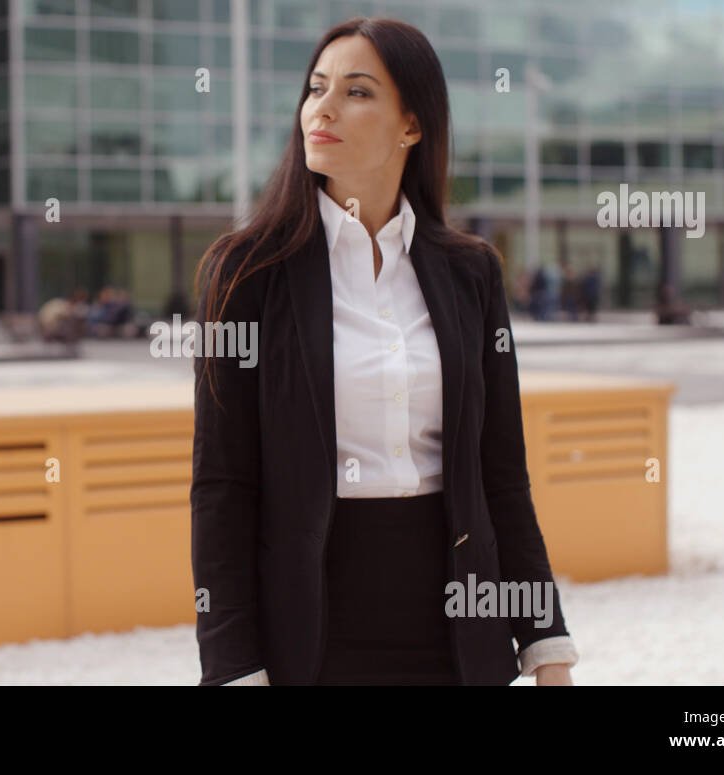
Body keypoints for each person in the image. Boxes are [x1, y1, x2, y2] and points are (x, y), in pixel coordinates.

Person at [191, 17, 577, 687]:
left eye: (358, 91)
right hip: (312, 634)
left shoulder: (471, 272)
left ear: (411, 126)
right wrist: (232, 665)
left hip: (459, 629)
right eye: (316, 88)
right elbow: (223, 486)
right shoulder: (246, 272)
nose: (324, 107)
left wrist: (546, 642)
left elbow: (501, 475)